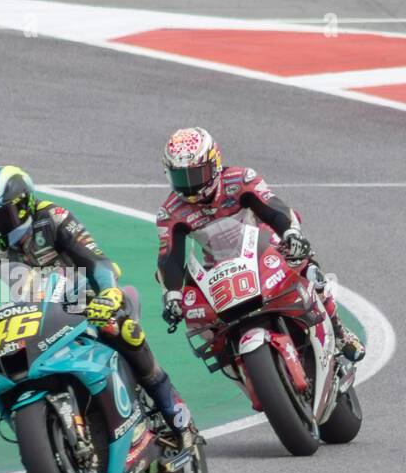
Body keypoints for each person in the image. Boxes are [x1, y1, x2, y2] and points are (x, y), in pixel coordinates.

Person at [0, 165, 197, 446]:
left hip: (78, 301)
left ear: (23, 206)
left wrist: (108, 293)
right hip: (24, 317)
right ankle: (33, 434)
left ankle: (174, 410)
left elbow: (95, 260)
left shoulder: (52, 217)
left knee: (121, 328)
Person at [155, 127, 365, 362]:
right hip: (219, 270)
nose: (189, 186)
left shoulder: (240, 179)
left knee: (307, 267)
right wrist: (172, 295)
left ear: (214, 164)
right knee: (206, 326)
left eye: (195, 175)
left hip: (264, 248)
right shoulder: (170, 212)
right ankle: (241, 370)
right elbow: (169, 257)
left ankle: (338, 330)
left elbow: (274, 208)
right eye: (180, 178)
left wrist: (291, 233)